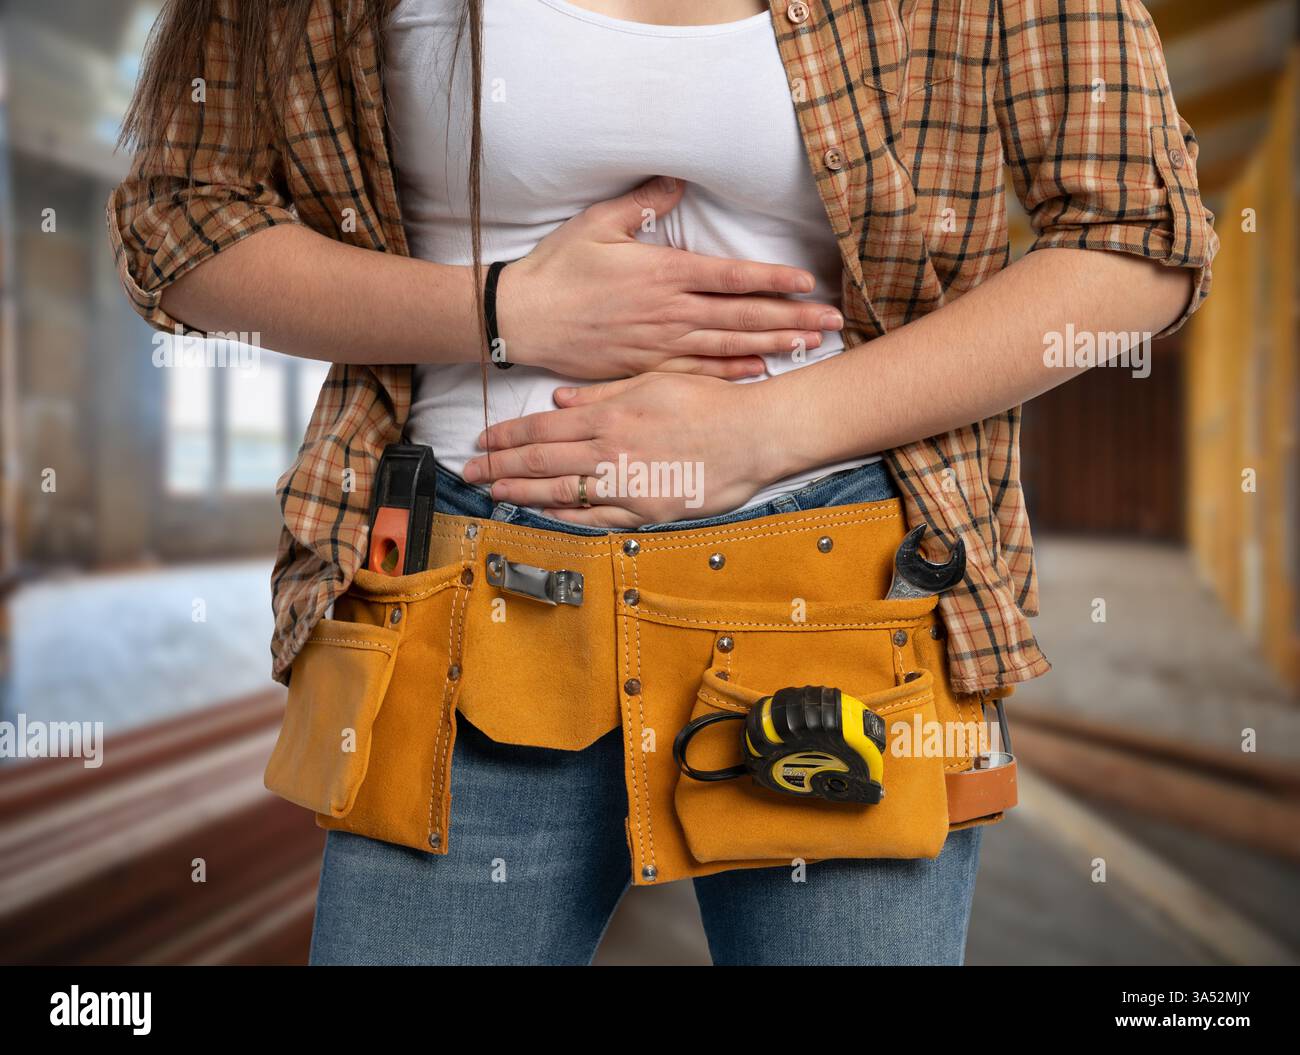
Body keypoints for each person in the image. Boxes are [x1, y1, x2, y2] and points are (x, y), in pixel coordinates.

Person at [110, 0, 1217, 965]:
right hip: (462, 606)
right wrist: (503, 312)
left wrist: (763, 431)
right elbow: (182, 222)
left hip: (840, 606)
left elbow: (1137, 247)